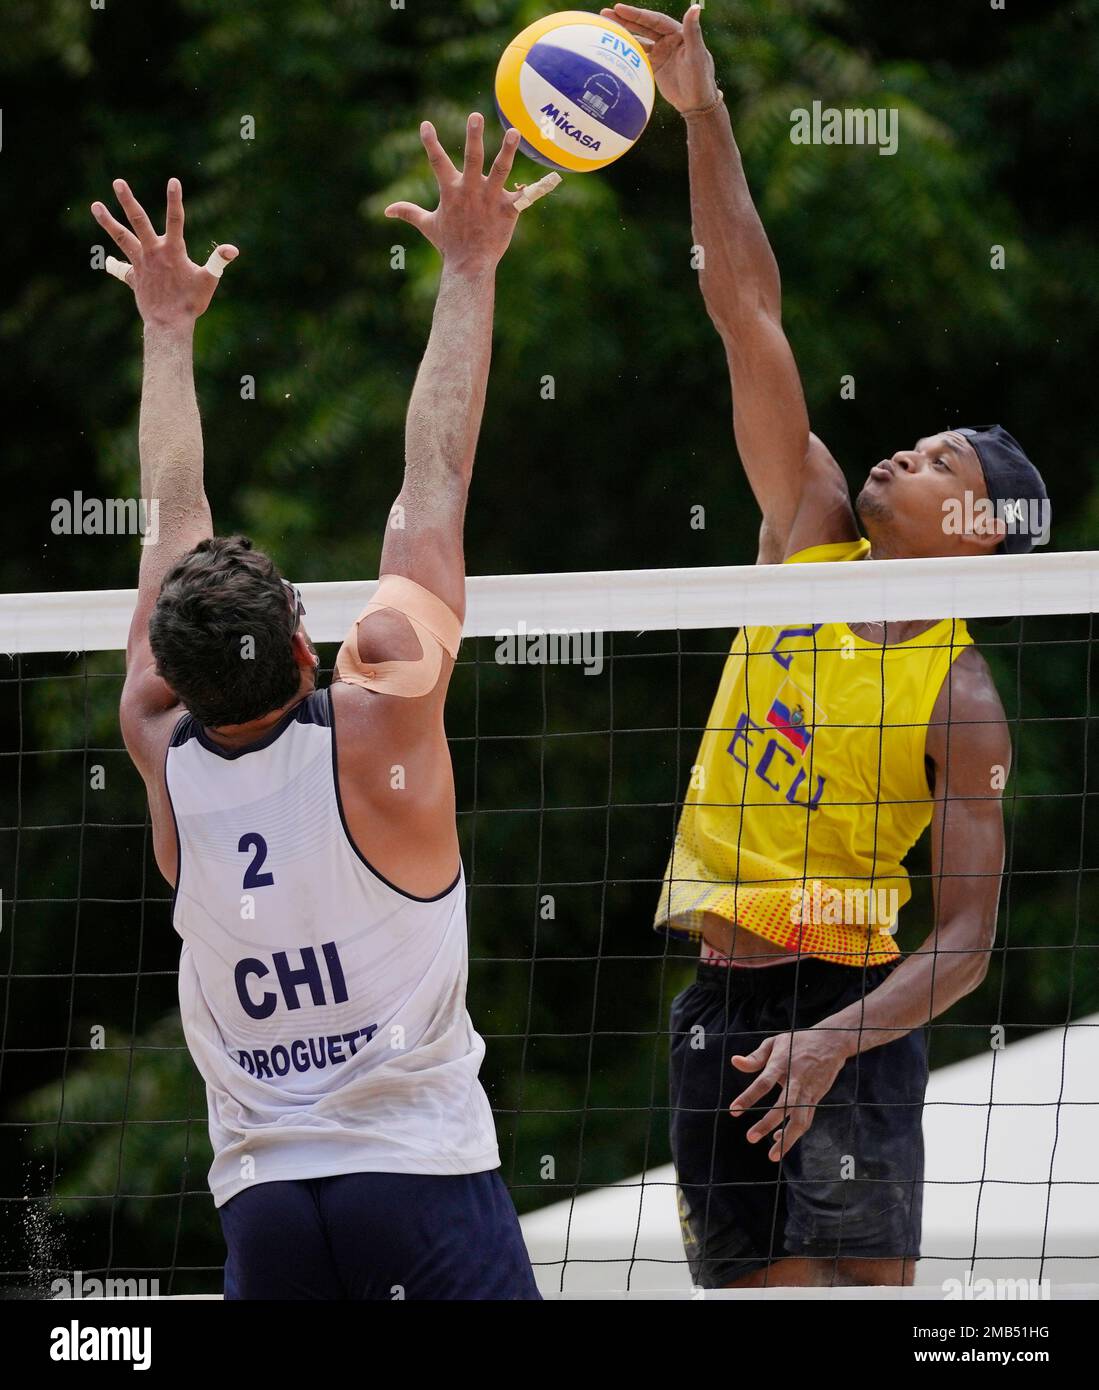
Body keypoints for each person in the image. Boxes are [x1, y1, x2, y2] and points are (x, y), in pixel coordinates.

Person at [601, 4, 1049, 1288]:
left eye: (942, 460)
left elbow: (963, 948)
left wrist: (835, 1044)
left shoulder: (959, 695)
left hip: (846, 1007)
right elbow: (747, 312)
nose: (908, 449)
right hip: (719, 1004)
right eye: (921, 440)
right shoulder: (806, 531)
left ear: (978, 529)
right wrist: (701, 112)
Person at [92, 114, 551, 1300]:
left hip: (266, 1203)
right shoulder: (383, 711)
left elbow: (168, 524)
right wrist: (469, 268)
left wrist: (164, 332)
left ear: (170, 675)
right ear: (307, 645)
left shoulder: (158, 749)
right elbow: (432, 484)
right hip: (421, 1178)